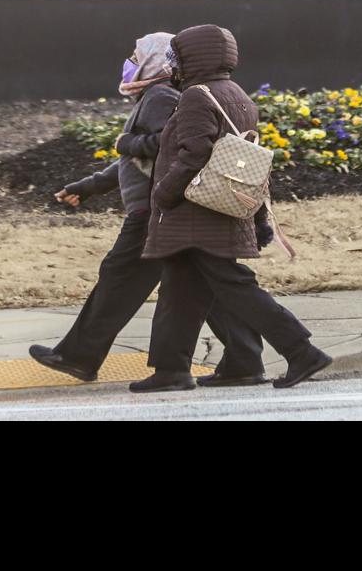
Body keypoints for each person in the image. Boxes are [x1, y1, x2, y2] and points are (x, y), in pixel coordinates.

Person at [28, 32, 269, 386]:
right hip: (160, 207)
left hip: (154, 211)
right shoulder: (161, 95)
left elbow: (167, 149)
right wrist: (90, 186)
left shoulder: (159, 96)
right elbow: (142, 161)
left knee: (119, 279)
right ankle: (245, 361)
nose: (129, 61)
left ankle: (80, 356)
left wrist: (126, 142)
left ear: (154, 60)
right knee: (207, 285)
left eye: (135, 54)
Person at [130, 24, 332, 394]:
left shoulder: (196, 96)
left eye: (178, 56)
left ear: (194, 58)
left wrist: (163, 193)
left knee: (236, 289)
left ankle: (302, 351)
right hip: (220, 210)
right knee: (180, 290)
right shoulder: (237, 94)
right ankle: (174, 369)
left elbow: (195, 153)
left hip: (195, 213)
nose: (173, 63)